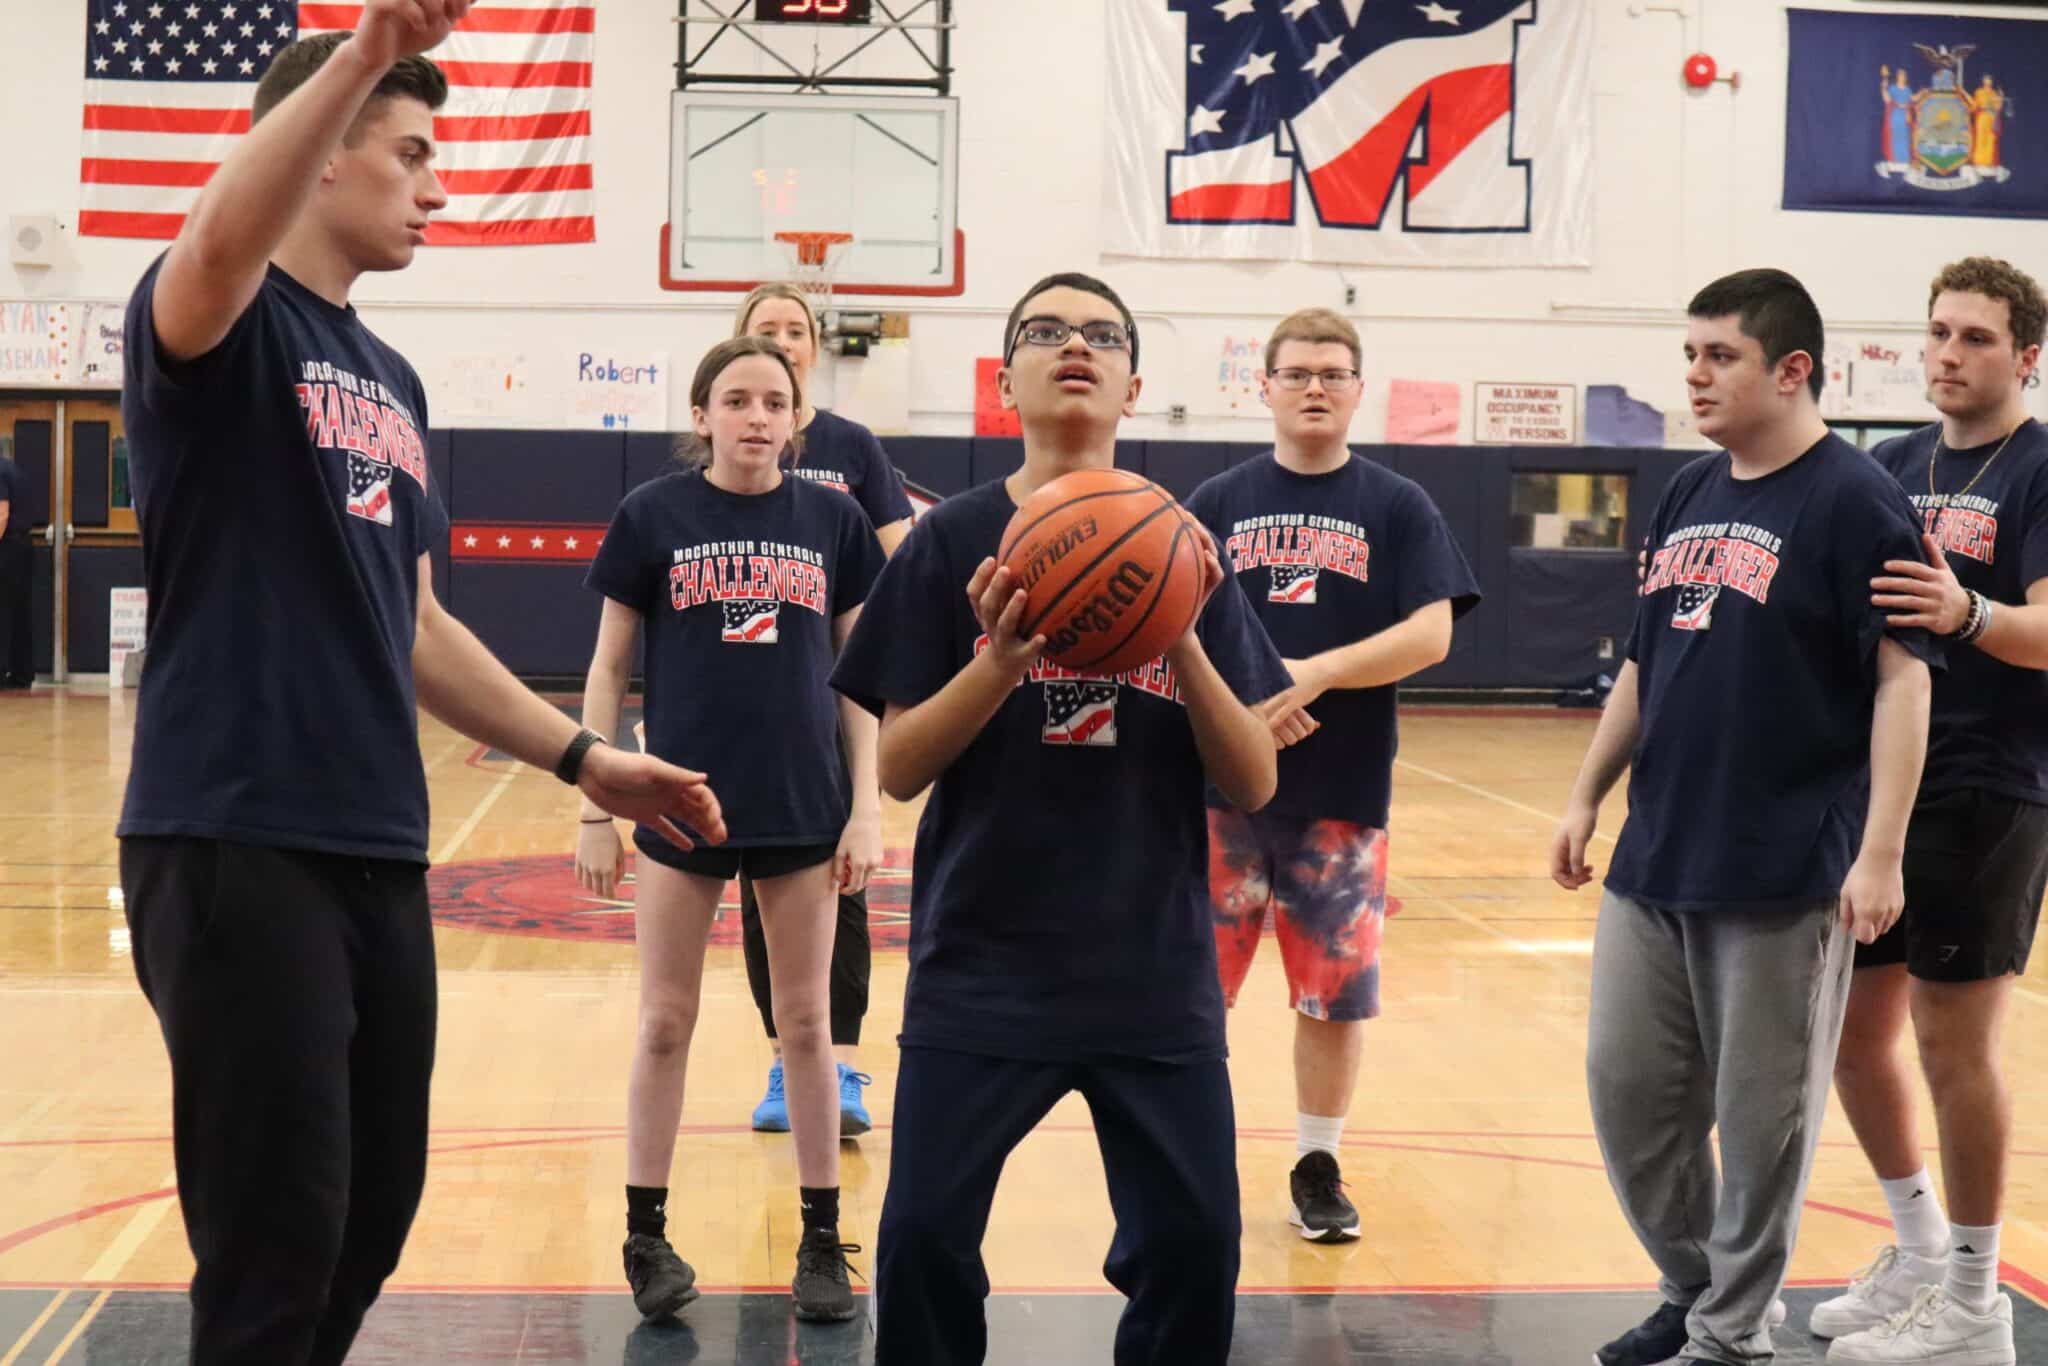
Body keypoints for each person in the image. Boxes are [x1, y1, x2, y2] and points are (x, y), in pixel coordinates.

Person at [114, 7, 725, 1363]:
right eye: (411, 151)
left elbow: (421, 622)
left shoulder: (387, 377)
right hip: (236, 829)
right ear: (324, 151)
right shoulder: (212, 320)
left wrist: (583, 755)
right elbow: (217, 236)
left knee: (369, 1212)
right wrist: (353, 53)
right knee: (274, 1235)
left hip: (373, 842)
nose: (439, 183)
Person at [830, 271, 1299, 1365]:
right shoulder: (947, 545)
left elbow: (1255, 781)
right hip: (983, 957)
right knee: (921, 1239)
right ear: (1005, 380)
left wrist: (1176, 628)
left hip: (1150, 960)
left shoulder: (1184, 546)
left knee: (1192, 1243)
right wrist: (996, 663)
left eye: (1100, 334)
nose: (1072, 345)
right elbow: (896, 767)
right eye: (1044, 331)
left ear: (1134, 384)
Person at [1550, 268, 1939, 1366]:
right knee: (1628, 1100)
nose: (1694, 376)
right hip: (1653, 855)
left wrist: (1878, 852)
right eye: (1689, 356)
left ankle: (1727, 1337)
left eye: (1717, 356)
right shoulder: (1684, 492)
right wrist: (1585, 792)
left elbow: (1903, 681)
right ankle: (1693, 1284)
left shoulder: (1856, 500)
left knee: (1762, 1121)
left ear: (1789, 369)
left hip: (1781, 865)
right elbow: (1642, 659)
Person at [575, 334, 884, 1323]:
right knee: (665, 1020)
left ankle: (819, 1238)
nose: (756, 416)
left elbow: (860, 684)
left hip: (802, 801)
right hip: (677, 798)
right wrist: (594, 799)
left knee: (806, 1028)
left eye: (774, 401)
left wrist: (867, 806)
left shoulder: (832, 519)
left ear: (797, 420)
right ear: (702, 414)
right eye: (736, 399)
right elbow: (606, 666)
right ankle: (645, 1233)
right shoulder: (651, 514)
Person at [1184, 307, 1479, 1243]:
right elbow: (1168, 625)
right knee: (1189, 992)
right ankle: (1188, 1161)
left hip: (1341, 798)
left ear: (1358, 390)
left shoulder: (1397, 505)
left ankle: (1318, 1162)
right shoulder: (1218, 500)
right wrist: (1245, 700)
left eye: (1334, 373)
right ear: (1262, 386)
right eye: (1299, 372)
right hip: (1216, 794)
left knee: (1332, 998)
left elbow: (1431, 632)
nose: (1316, 386)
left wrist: (1312, 672)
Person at [1812, 257, 2046, 1366]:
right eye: (1938, 332)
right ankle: (1910, 1249)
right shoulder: (1888, 466)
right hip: (1881, 790)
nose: (1948, 354)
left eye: (1976, 338)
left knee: (1952, 1045)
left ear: (2025, 356)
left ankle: (1971, 1302)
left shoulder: (2040, 468)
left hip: (1988, 784)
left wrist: (1967, 613)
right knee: (1853, 1040)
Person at [730, 281, 914, 1137]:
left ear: (814, 349)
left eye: (795, 331)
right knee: (760, 889)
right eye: (765, 330)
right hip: (741, 707)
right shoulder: (716, 456)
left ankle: (838, 1066)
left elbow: (901, 565)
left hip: (831, 699)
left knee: (840, 884)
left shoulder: (851, 448)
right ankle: (782, 1062)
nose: (783, 341)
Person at [0, 452, 30, 689]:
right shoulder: (13, 468)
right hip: (22, 547)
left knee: (3, 611)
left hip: (6, 546)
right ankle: (22, 672)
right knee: (20, 611)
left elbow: (1, 515)